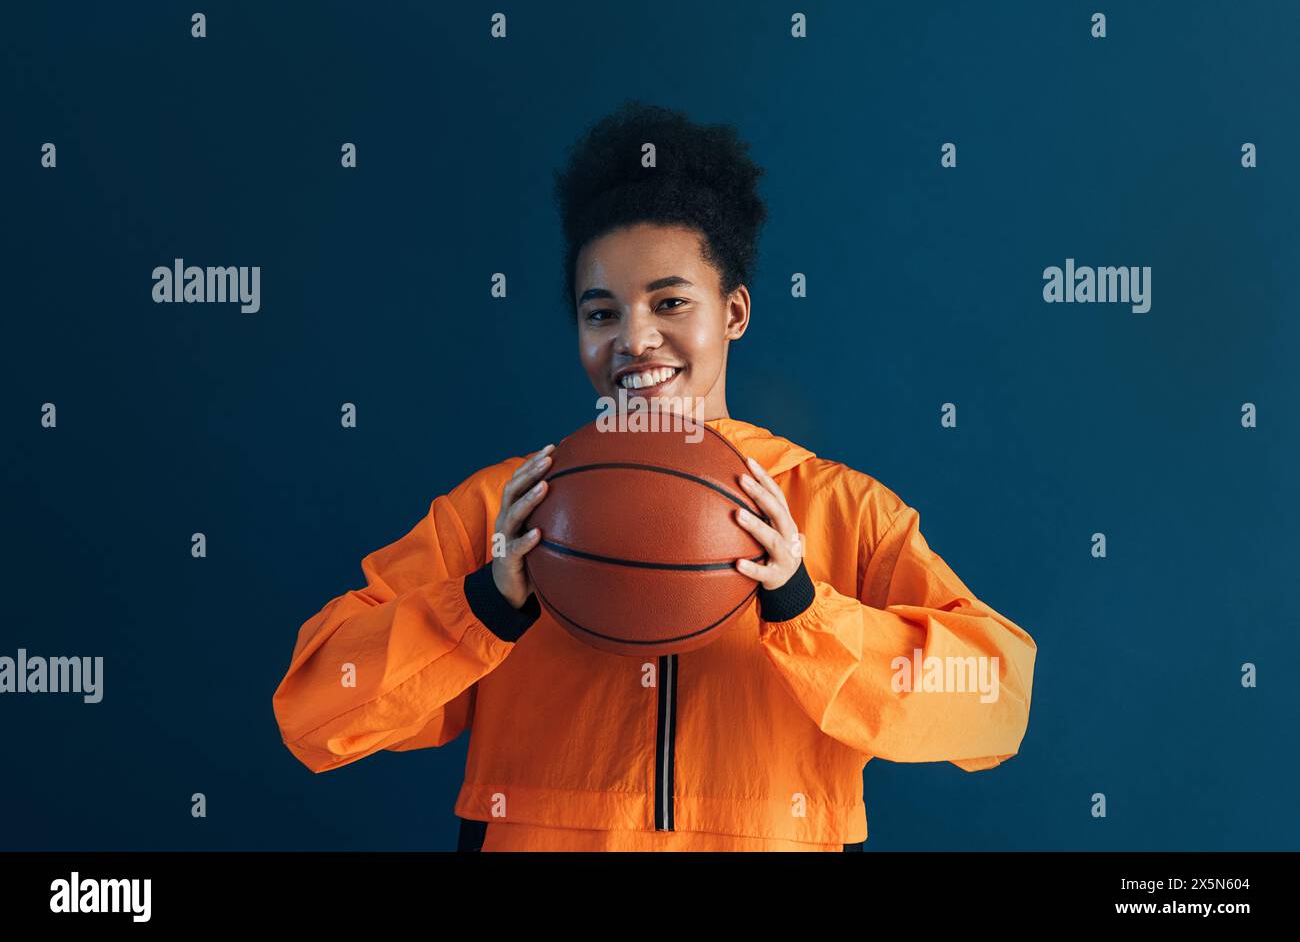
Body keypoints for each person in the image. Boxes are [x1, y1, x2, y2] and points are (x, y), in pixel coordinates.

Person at [271, 100, 1037, 851]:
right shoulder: (509, 508)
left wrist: (807, 614)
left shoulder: (839, 509)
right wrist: (481, 606)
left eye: (669, 301)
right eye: (600, 313)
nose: (635, 338)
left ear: (733, 311)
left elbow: (995, 703)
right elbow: (313, 707)